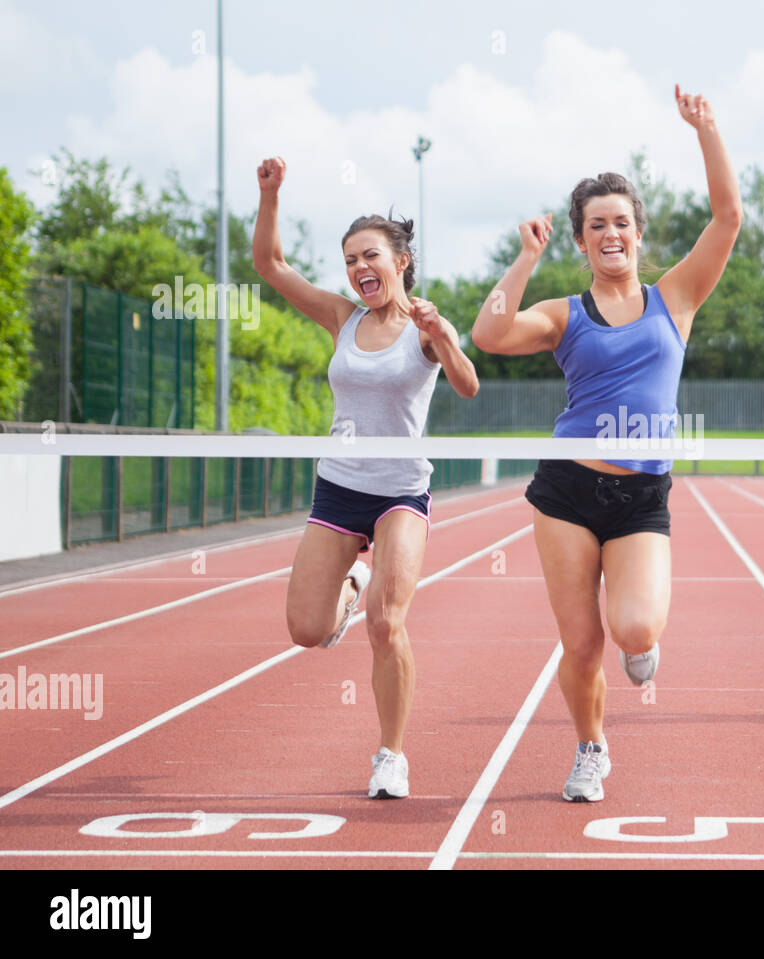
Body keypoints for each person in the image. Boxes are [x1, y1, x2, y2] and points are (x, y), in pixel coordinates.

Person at [471, 85, 742, 801]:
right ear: (582, 237)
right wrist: (525, 258)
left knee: (633, 628)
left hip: (639, 494)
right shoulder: (564, 314)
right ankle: (591, 748)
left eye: (622, 221)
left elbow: (728, 217)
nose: (611, 233)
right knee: (582, 643)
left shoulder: (676, 297)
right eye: (597, 224)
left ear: (638, 232)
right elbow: (490, 334)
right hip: (565, 492)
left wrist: (706, 130)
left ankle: (643, 642)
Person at [252, 156, 479, 798]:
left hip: (401, 491)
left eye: (369, 256)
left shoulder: (426, 328)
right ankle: (353, 580)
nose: (358, 269)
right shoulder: (341, 319)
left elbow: (467, 386)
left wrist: (445, 338)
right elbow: (270, 266)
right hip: (339, 486)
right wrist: (270, 194)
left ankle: (390, 755)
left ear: (400, 260)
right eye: (349, 259)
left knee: (388, 624)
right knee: (307, 631)